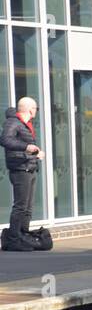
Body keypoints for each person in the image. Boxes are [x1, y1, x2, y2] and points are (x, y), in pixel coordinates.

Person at [2, 97, 44, 251]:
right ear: (31, 109)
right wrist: (27, 147)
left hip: (29, 167)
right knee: (20, 206)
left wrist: (37, 153)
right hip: (20, 169)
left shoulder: (26, 124)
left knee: (27, 207)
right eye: (36, 108)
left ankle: (23, 236)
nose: (36, 112)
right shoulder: (13, 122)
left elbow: (27, 148)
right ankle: (13, 240)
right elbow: (5, 140)